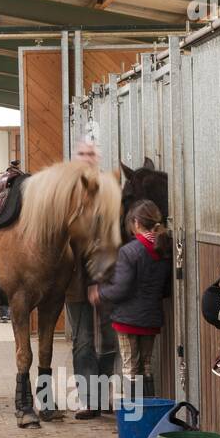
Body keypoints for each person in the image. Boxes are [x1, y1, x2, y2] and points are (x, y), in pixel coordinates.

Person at [90, 199, 172, 402]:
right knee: (146, 366)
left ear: (136, 222)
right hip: (151, 318)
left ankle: (131, 418)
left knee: (129, 367)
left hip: (128, 320)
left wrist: (100, 293)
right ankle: (148, 414)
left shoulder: (130, 252)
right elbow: (166, 289)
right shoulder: (164, 250)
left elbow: (121, 288)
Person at [64, 140, 117, 418]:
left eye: (91, 154)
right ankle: (88, 399)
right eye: (82, 154)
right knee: (83, 340)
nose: (86, 158)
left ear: (98, 158)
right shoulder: (67, 195)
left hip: (105, 278)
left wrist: (100, 279)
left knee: (110, 340)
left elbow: (107, 239)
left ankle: (103, 393)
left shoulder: (107, 192)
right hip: (74, 281)